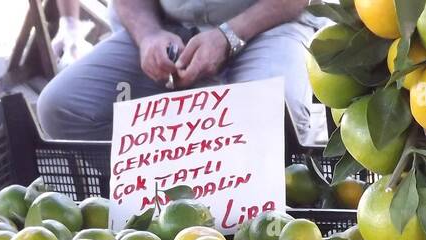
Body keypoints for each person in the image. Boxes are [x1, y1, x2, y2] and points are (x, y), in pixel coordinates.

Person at [37, 0, 319, 144]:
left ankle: (263, 214)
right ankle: (148, 192)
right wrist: (148, 36)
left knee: (275, 117)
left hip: (269, 26)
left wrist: (228, 37)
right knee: (61, 107)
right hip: (170, 26)